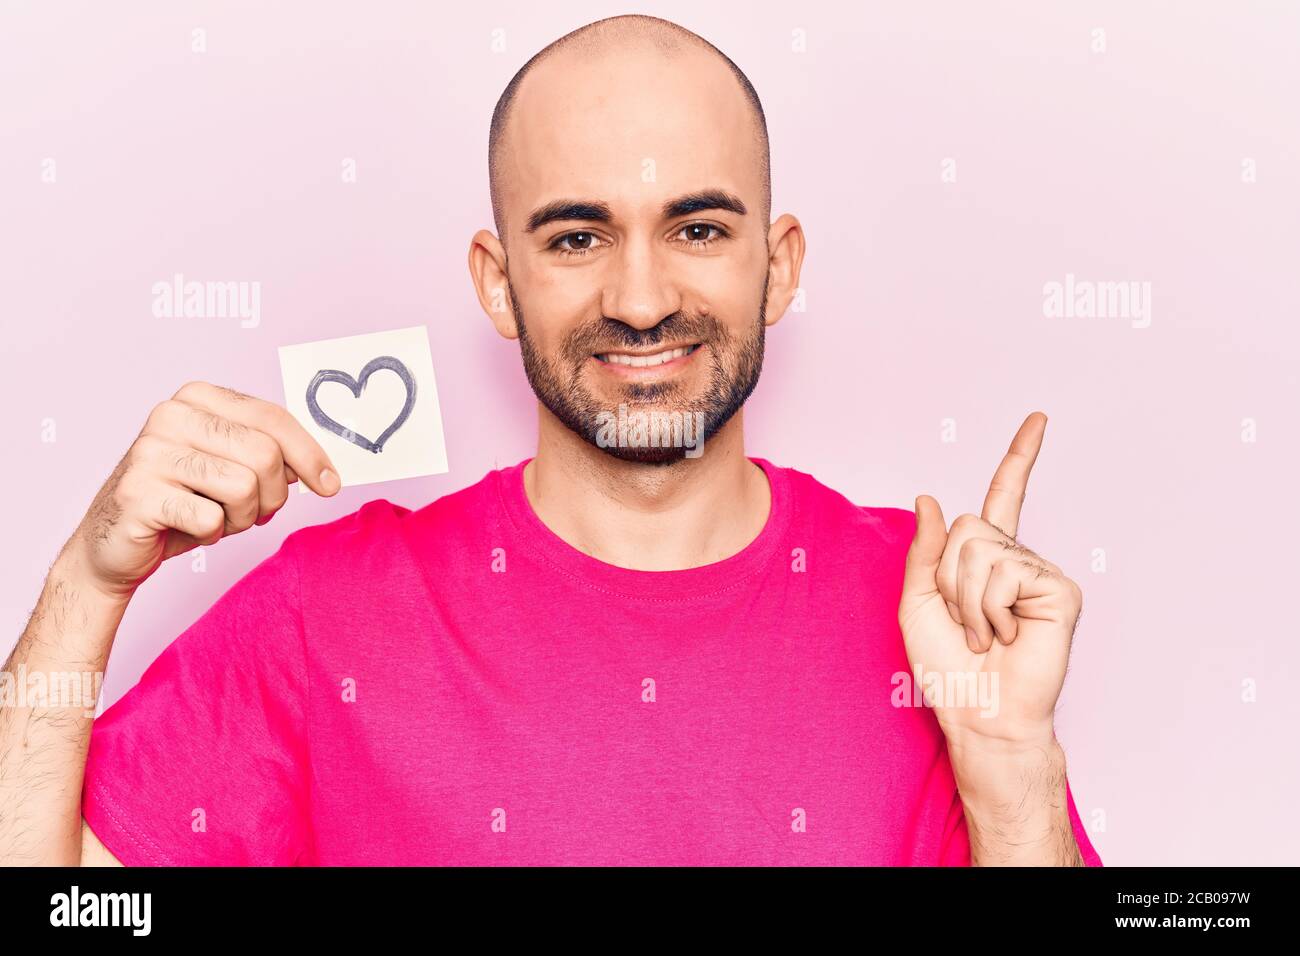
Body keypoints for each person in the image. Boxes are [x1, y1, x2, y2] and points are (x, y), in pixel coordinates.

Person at [0, 14, 1101, 866]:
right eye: (577, 237)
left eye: (697, 228)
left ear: (780, 269)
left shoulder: (929, 617)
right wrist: (84, 589)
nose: (640, 299)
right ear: (497, 282)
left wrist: (1013, 773)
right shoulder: (324, 614)